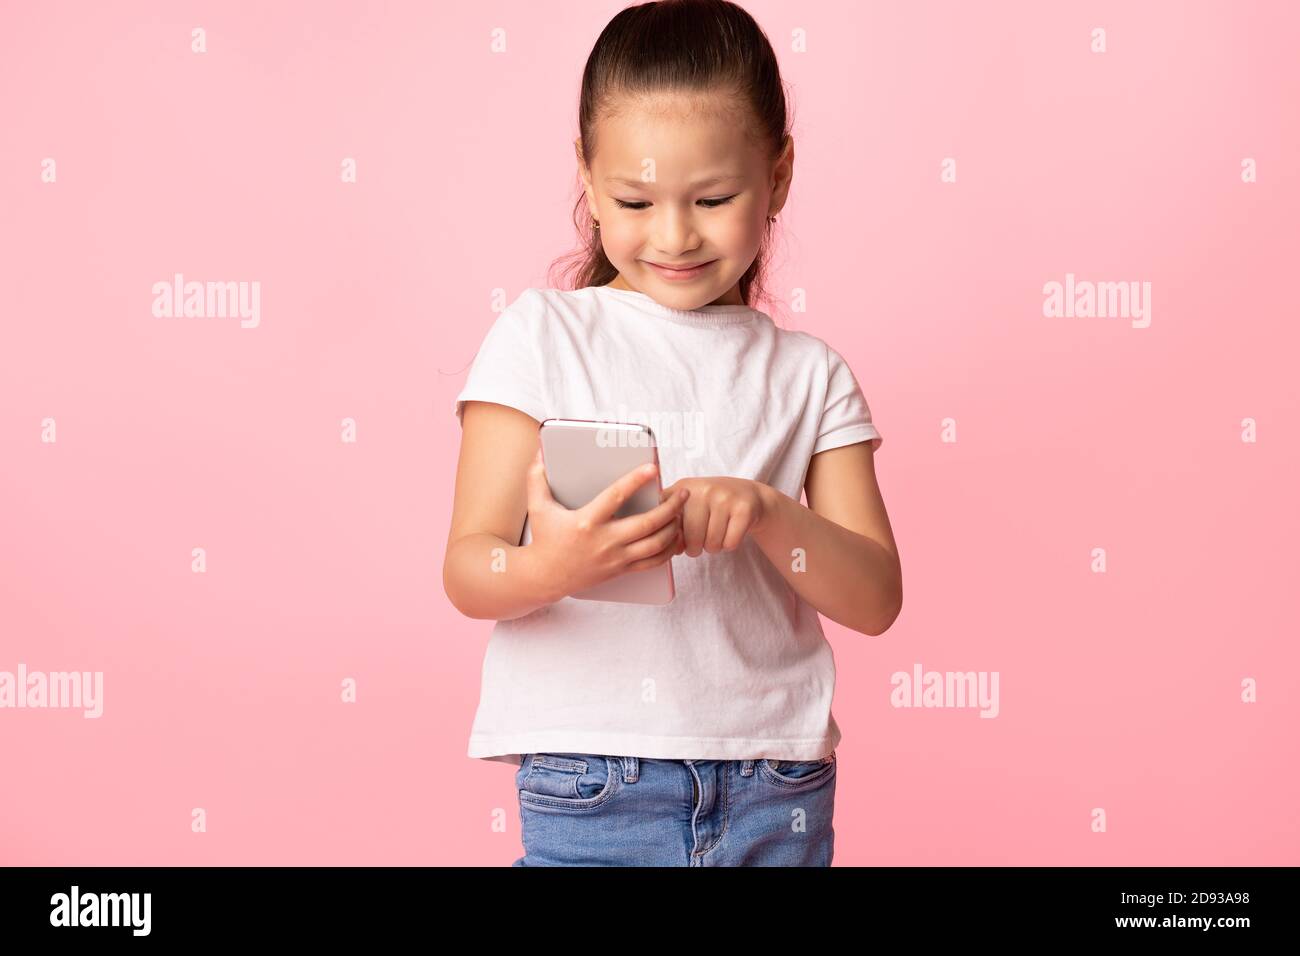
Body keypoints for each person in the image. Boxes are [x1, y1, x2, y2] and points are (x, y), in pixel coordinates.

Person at [443, 0, 902, 866]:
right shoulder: (541, 338)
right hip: (594, 782)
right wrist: (556, 567)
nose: (675, 234)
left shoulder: (810, 375)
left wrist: (770, 514)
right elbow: (470, 567)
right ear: (585, 174)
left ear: (780, 173)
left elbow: (874, 599)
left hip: (777, 783)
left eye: (714, 198)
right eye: (635, 199)